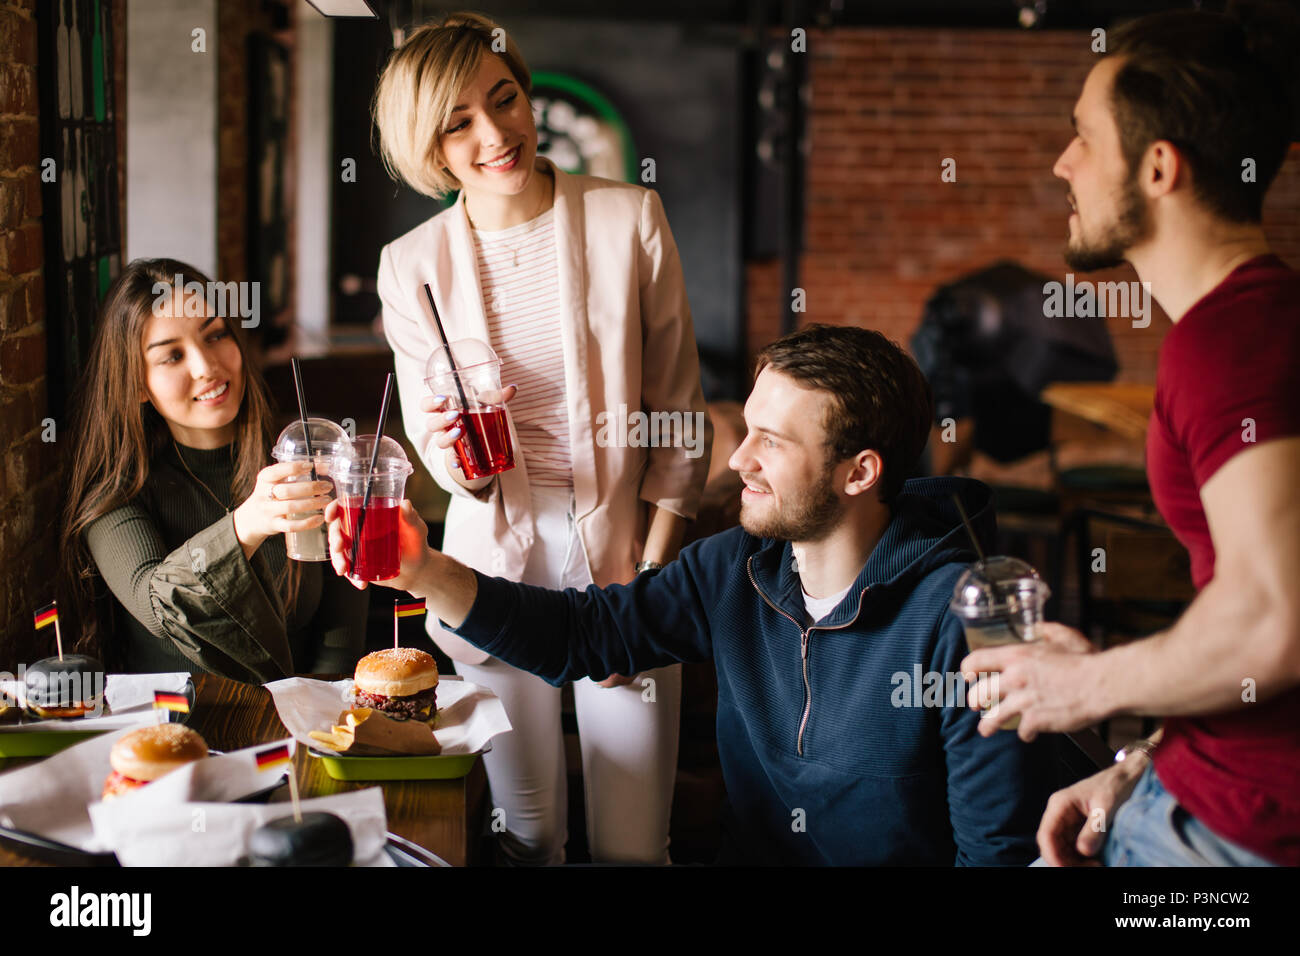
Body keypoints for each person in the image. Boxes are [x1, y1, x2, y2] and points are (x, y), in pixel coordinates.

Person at [326, 324, 1055, 865]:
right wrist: (422, 570)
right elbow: (579, 636)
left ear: (859, 472)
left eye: (770, 441)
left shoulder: (971, 620)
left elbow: (998, 852)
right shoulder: (734, 568)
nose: (737, 459)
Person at [960, 2, 1300, 867]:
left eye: (1083, 136)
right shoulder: (1251, 326)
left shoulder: (1229, 343)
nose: (1060, 163)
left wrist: (1083, 684)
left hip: (1235, 838)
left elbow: (1271, 623)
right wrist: (1141, 763)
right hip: (1194, 791)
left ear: (1157, 167)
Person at [370, 13, 711, 865]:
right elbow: (437, 452)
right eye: (459, 122)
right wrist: (460, 453)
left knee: (636, 846)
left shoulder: (628, 218)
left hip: (625, 561)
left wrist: (652, 569)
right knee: (530, 839)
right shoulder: (410, 265)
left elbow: (677, 409)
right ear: (431, 146)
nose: (496, 133)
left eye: (505, 98)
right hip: (488, 575)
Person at [60, 258, 367, 681]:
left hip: (300, 730)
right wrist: (246, 526)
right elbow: (158, 606)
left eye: (216, 335)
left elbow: (340, 638)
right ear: (136, 383)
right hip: (177, 734)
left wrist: (311, 722)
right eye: (171, 356)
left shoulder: (304, 466)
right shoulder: (118, 492)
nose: (206, 367)